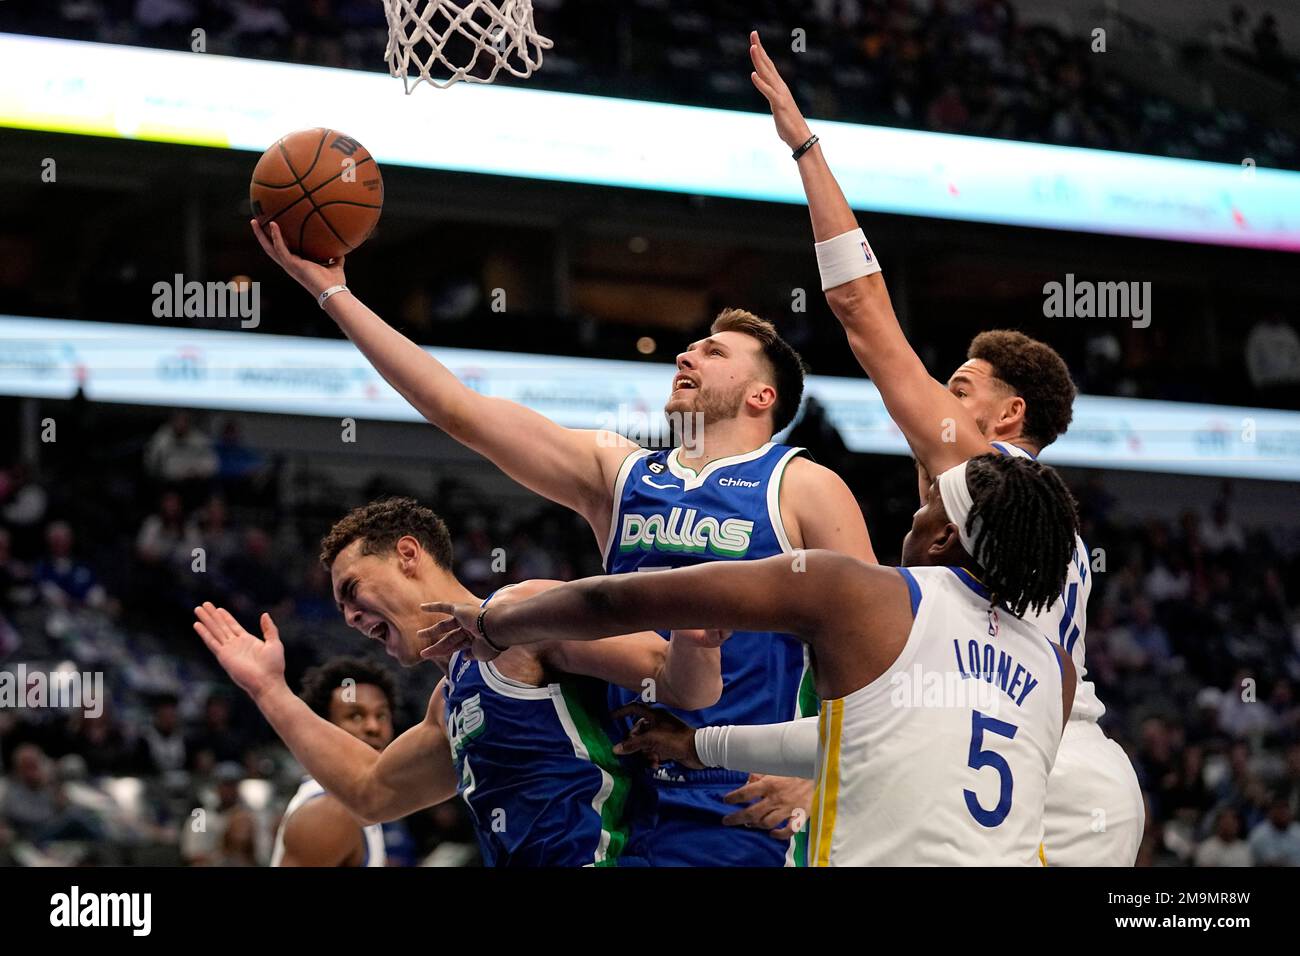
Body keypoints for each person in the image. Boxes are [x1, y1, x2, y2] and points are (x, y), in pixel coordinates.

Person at [251, 201, 877, 866]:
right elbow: (460, 410)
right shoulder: (620, 474)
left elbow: (878, 648)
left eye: (714, 351)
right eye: (690, 344)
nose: (686, 354)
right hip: (641, 807)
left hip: (751, 809)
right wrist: (334, 292)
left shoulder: (802, 485)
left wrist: (821, 768)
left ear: (761, 396)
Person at [747, 31, 1141, 866]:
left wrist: (805, 146)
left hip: (1046, 772)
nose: (935, 405)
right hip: (1020, 756)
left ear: (1009, 416)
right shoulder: (1020, 518)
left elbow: (860, 309)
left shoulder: (992, 477)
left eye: (959, 389)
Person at [427, 454, 1078, 866]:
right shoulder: (1055, 667)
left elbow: (615, 600)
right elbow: (866, 739)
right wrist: (702, 748)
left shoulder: (862, 591)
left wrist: (494, 618)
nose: (912, 512)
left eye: (927, 502)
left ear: (942, 535)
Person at [195, 497, 723, 866]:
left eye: (353, 590)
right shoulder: (450, 697)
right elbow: (371, 793)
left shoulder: (521, 612)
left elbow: (680, 684)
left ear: (407, 555)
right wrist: (269, 690)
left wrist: (696, 628)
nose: (351, 617)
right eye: (340, 609)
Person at [270, 656, 398, 866]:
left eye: (382, 715)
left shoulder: (359, 802)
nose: (373, 727)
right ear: (323, 729)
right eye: (355, 716)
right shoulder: (331, 812)